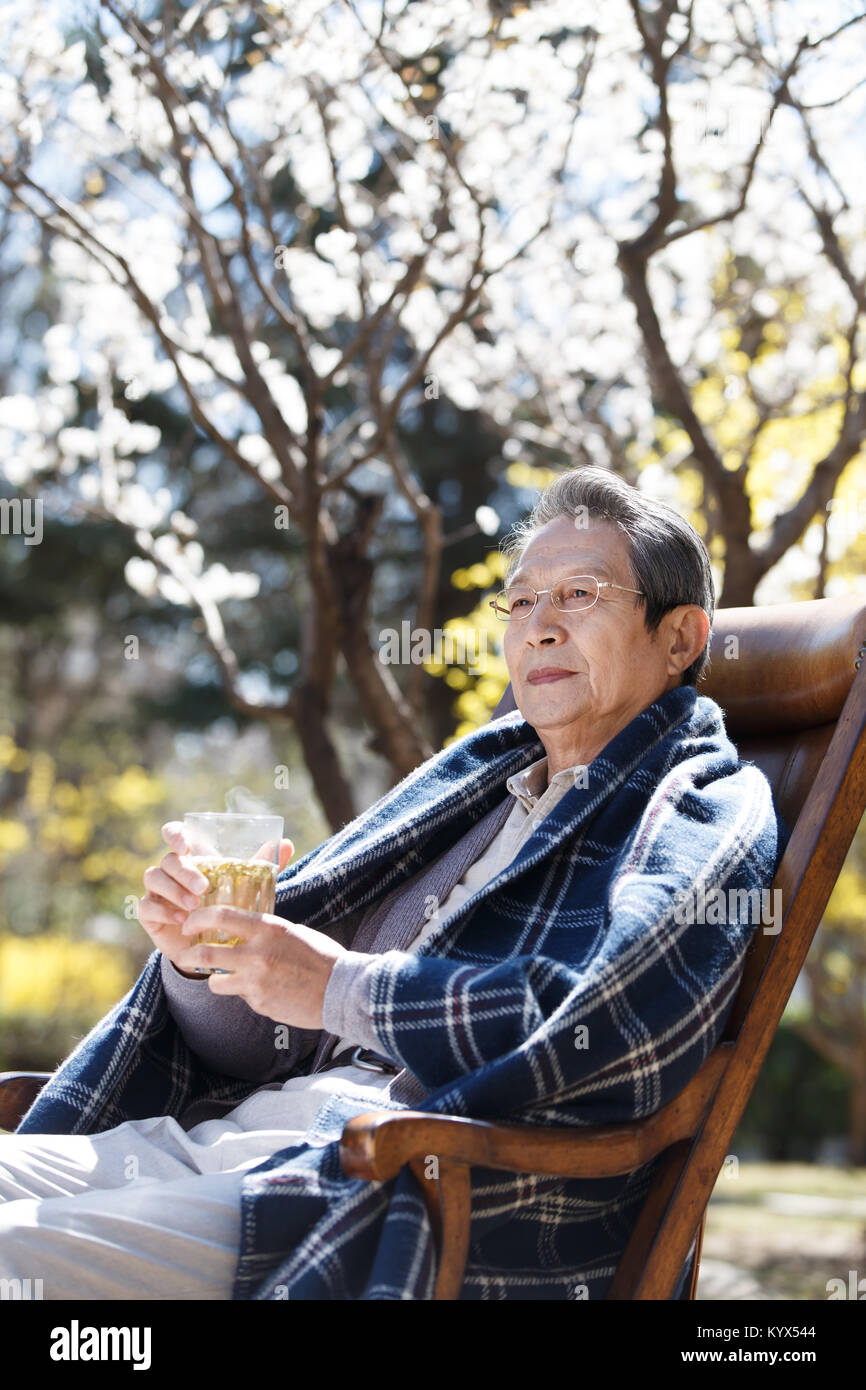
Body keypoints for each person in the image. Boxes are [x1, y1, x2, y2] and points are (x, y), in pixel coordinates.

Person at [1, 466, 788, 1300]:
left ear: (681, 637)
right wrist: (202, 964)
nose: (540, 629)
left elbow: (608, 1019)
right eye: (520, 603)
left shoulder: (704, 806)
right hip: (238, 1137)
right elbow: (268, 1041)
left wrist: (335, 985)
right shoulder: (473, 789)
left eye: (580, 595)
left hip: (383, 1184)